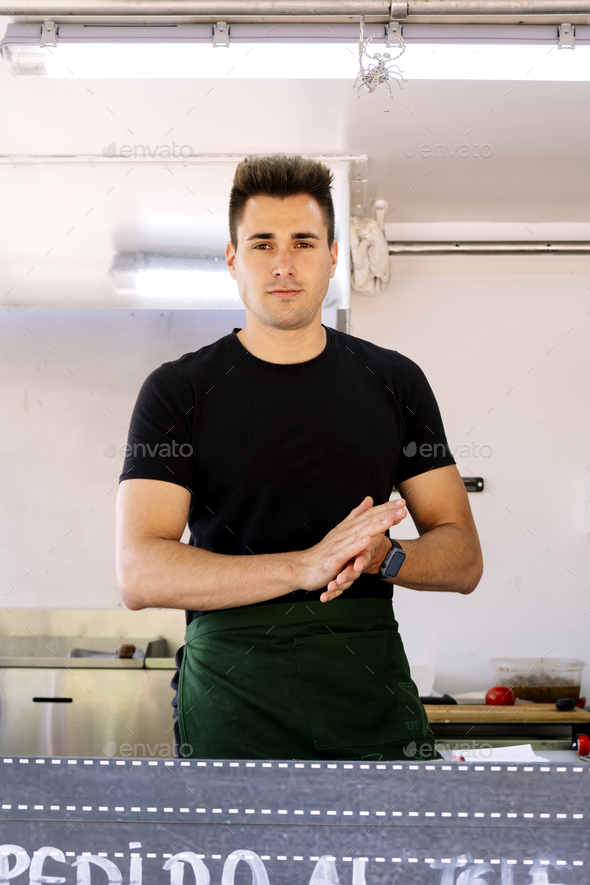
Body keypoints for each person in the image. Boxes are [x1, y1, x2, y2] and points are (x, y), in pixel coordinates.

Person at [115, 153, 483, 762]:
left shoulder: (395, 381)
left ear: (332, 254)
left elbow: (463, 558)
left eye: (303, 242)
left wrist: (383, 557)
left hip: (366, 692)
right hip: (234, 701)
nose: (283, 264)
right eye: (261, 244)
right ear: (232, 259)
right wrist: (305, 566)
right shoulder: (177, 391)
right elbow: (139, 572)